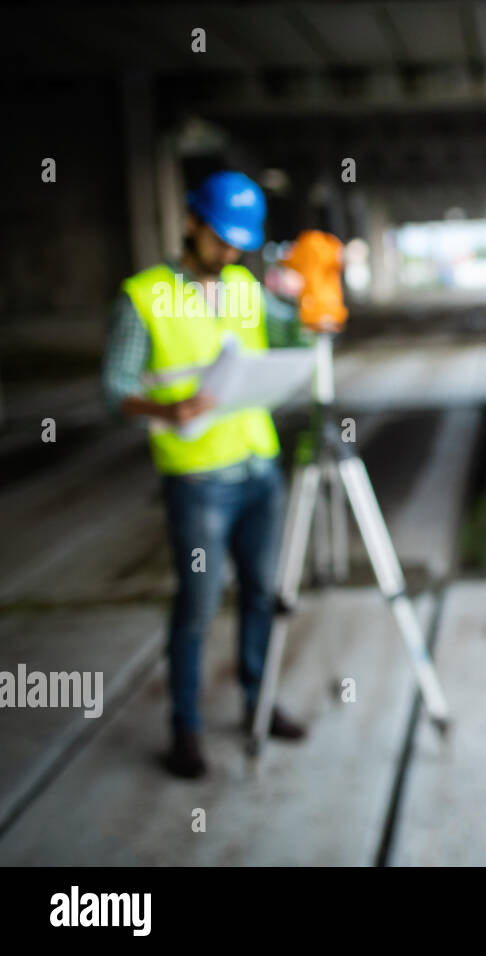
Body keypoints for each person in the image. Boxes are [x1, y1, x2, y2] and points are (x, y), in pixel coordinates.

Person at [102, 170, 311, 779]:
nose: (230, 252)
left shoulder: (245, 285)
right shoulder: (142, 296)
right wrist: (165, 408)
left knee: (260, 595)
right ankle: (185, 731)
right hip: (197, 480)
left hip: (258, 469)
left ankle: (259, 699)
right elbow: (114, 389)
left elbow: (293, 335)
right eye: (221, 238)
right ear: (190, 222)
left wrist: (304, 303)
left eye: (239, 242)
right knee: (196, 607)